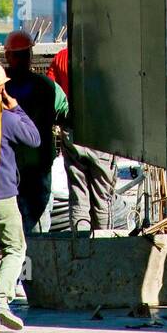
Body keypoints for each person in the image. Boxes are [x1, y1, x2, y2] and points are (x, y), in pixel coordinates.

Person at [47, 44, 118, 233]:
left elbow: (51, 93)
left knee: (78, 194)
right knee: (102, 196)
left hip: (72, 130)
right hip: (101, 132)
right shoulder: (104, 59)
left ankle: (81, 245)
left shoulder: (61, 57)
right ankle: (103, 247)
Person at [3, 30, 69, 233]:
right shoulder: (47, 88)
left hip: (7, 171)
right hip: (35, 169)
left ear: (7, 56)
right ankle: (34, 262)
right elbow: (65, 115)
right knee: (37, 231)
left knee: (12, 233)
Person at [0, 63, 41, 331]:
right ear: (0, 89)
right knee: (15, 248)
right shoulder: (8, 120)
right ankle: (0, 298)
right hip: (3, 197)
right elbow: (34, 138)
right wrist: (16, 107)